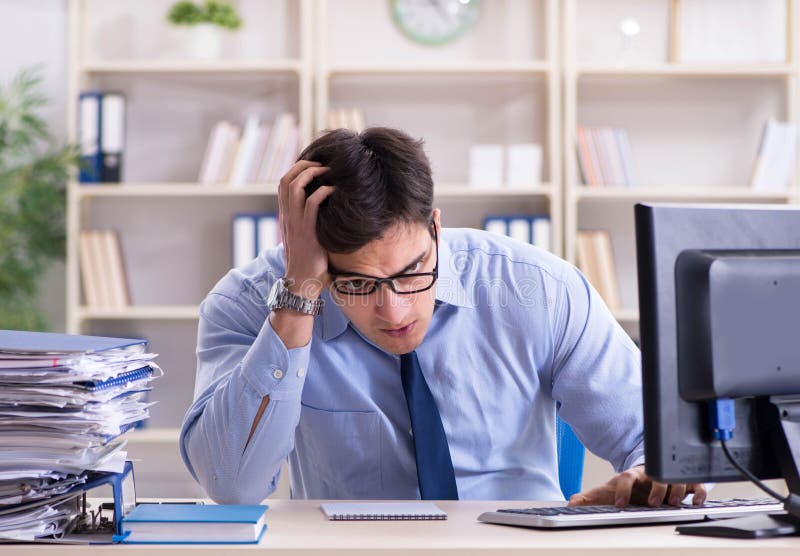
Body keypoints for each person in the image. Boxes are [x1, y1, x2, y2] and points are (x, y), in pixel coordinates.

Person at [180, 127, 705, 507]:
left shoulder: (538, 289)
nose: (394, 310)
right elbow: (232, 485)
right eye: (358, 284)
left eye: (412, 272)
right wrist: (298, 294)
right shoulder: (249, 304)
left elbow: (657, 440)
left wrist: (647, 478)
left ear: (435, 228)